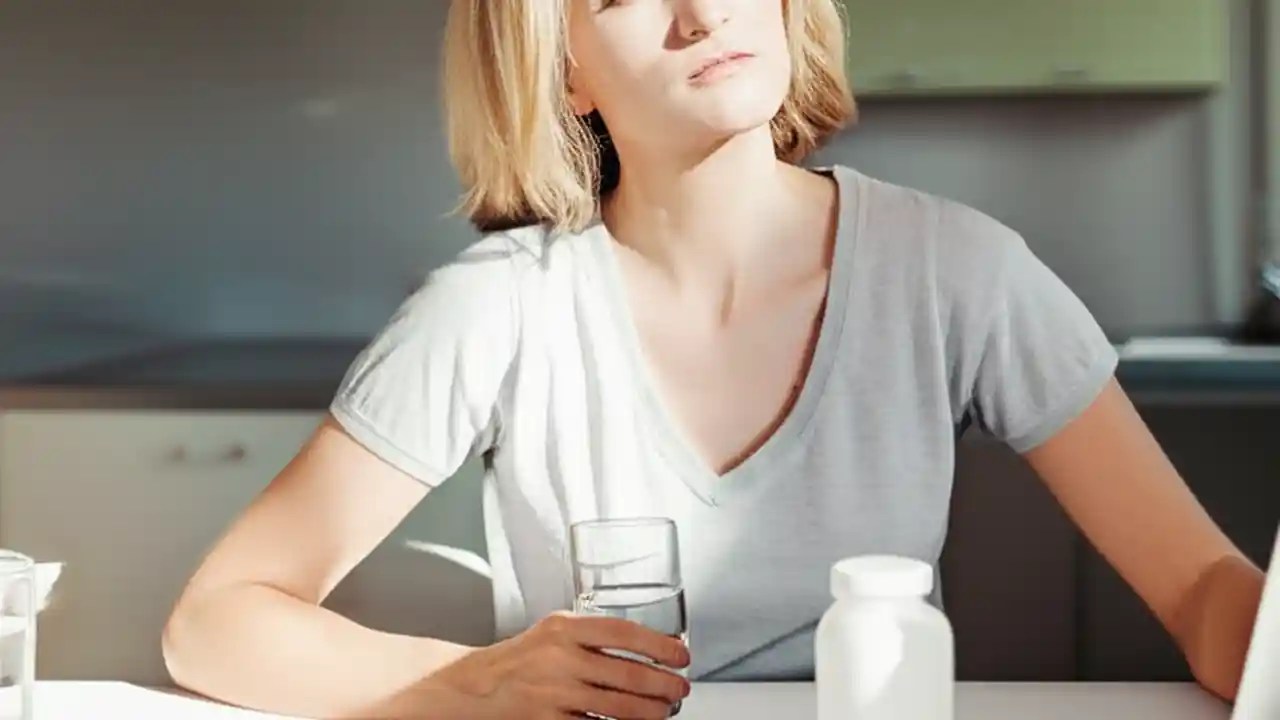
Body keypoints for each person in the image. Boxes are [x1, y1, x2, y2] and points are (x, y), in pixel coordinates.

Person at [161, 1, 1267, 718]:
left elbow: (1202, 588)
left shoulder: (958, 270)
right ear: (565, 76)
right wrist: (474, 681)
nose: (697, 16)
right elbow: (216, 623)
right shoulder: (493, 308)